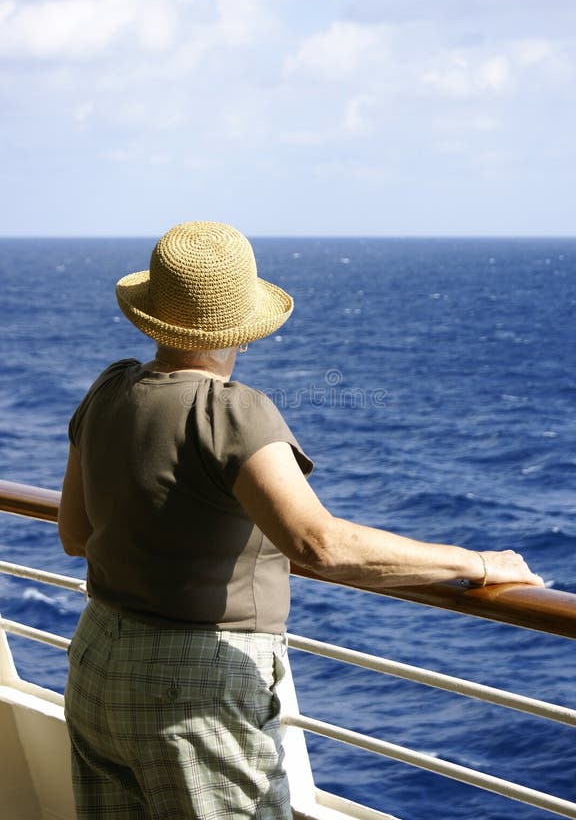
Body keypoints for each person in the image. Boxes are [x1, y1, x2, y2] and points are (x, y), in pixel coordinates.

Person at [58, 220, 543, 820]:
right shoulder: (231, 412)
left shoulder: (107, 391)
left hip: (98, 661)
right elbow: (319, 545)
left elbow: (75, 536)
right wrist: (478, 562)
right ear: (240, 326)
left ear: (153, 313)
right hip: (192, 689)